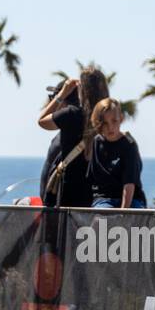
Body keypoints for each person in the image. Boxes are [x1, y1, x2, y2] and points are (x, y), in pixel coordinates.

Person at [37, 68, 110, 208]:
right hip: (98, 194)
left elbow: (42, 121)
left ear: (82, 91)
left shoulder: (71, 114)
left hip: (70, 191)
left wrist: (62, 94)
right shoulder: (108, 120)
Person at [87, 98, 146, 209]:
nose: (110, 127)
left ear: (121, 119)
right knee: (101, 221)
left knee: (135, 222)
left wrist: (123, 213)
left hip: (132, 199)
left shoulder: (129, 144)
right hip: (104, 199)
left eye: (114, 121)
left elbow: (129, 183)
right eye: (105, 123)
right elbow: (92, 177)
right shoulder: (97, 142)